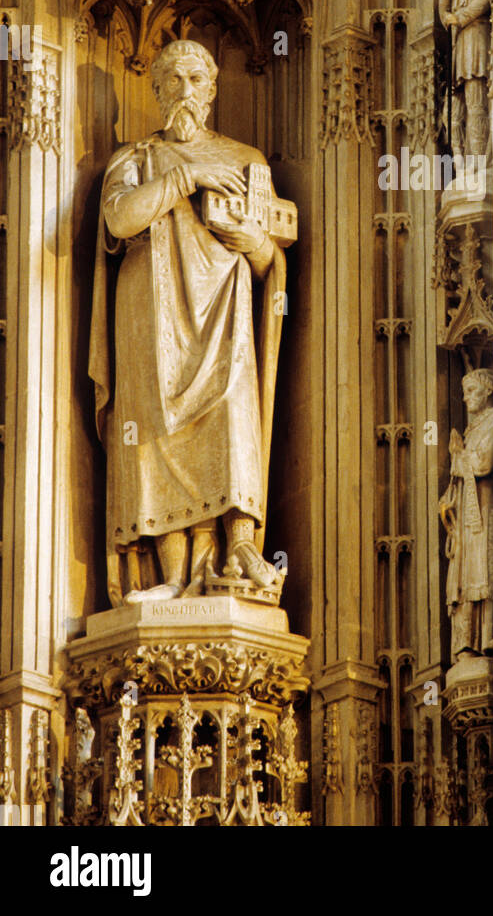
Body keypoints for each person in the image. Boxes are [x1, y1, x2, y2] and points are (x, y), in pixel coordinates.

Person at [89, 39, 287, 604]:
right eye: (172, 80)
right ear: (154, 91)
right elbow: (121, 218)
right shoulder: (134, 159)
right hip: (150, 317)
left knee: (231, 417)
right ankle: (170, 577)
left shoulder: (247, 161)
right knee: (153, 431)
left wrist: (255, 244)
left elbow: (272, 258)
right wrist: (186, 177)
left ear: (213, 90)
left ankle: (235, 555)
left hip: (225, 316)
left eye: (195, 79)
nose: (184, 91)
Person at [439, 369, 493, 658]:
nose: (465, 398)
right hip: (467, 514)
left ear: (489, 390)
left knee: (481, 570)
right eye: (464, 392)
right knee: (465, 572)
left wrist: (460, 456)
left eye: (472, 391)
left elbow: (485, 462)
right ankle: (465, 643)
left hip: (485, 511)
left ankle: (486, 638)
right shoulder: (472, 428)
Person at [438, 0, 493, 161]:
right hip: (462, 42)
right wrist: (443, 0)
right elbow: (448, 22)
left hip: (477, 38)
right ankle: (464, 166)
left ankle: (481, 165)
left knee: (476, 104)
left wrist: (460, 17)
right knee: (452, 114)